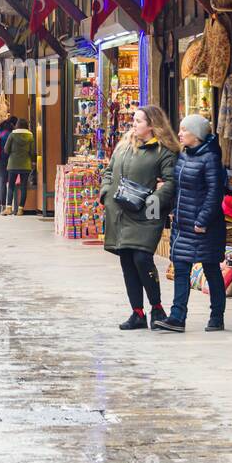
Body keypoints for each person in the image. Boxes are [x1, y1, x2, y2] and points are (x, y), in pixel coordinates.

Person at [101, 106, 179, 330]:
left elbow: (171, 182)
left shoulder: (164, 150)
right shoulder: (124, 145)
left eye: (138, 121)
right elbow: (109, 171)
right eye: (134, 120)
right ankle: (137, 313)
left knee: (142, 258)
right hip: (119, 212)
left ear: (152, 125)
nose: (133, 124)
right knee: (126, 260)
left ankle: (157, 308)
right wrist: (106, 193)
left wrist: (153, 200)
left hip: (147, 213)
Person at [156, 114, 228, 333]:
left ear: (196, 134)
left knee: (211, 268)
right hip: (183, 222)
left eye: (184, 130)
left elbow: (215, 193)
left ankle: (217, 316)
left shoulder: (211, 158)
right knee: (180, 268)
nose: (179, 134)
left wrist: (202, 220)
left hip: (204, 226)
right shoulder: (184, 155)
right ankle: (177, 316)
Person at [1, 117, 36, 215]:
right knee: (24, 187)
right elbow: (32, 151)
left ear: (17, 125)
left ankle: (9, 208)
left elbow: (6, 149)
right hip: (25, 165)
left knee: (11, 186)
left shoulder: (12, 135)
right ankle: (20, 209)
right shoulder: (30, 136)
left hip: (13, 164)